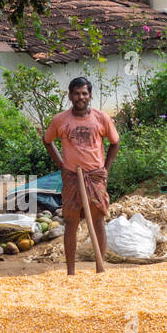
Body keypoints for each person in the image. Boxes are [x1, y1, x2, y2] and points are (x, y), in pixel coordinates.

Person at [44, 77, 119, 275]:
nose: (80, 97)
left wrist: (106, 169)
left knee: (98, 220)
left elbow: (115, 142)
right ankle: (71, 272)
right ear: (70, 96)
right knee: (71, 222)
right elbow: (47, 140)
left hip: (95, 176)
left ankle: (100, 269)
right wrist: (61, 164)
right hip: (71, 176)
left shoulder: (101, 118)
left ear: (90, 96)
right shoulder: (60, 120)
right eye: (76, 93)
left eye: (84, 93)